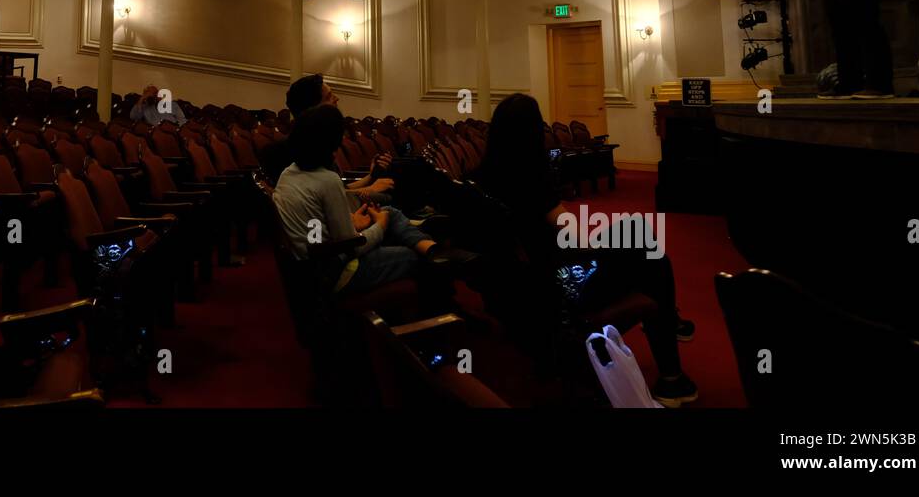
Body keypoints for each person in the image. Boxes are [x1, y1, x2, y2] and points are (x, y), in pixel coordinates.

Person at [470, 93, 699, 407]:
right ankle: (672, 376)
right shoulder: (530, 177)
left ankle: (671, 325)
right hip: (560, 285)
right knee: (653, 260)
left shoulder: (479, 180)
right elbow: (567, 229)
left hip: (526, 286)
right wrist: (594, 249)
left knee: (635, 229)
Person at [273, 104, 472, 295]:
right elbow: (352, 247)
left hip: (316, 260)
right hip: (334, 270)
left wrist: (356, 222)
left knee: (388, 213)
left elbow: (319, 224)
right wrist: (379, 227)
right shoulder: (327, 180)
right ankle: (442, 306)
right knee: (412, 254)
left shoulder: (287, 173)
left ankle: (431, 249)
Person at [258, 74, 394, 206]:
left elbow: (337, 186)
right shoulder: (287, 152)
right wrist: (371, 189)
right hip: (318, 224)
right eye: (329, 96)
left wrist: (371, 176)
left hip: (337, 210)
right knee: (388, 201)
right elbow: (319, 198)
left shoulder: (319, 144)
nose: (337, 99)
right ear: (313, 109)